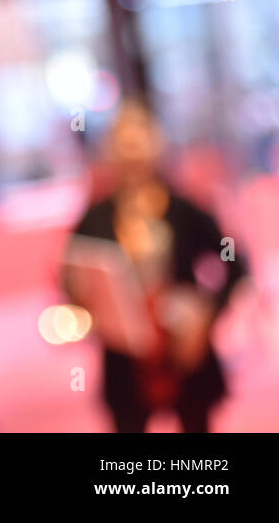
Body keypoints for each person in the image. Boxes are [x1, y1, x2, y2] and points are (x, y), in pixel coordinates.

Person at [63, 100, 246, 433]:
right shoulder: (97, 216)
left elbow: (233, 259)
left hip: (185, 350)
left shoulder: (183, 209)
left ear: (156, 146)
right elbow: (69, 277)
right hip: (125, 359)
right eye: (124, 144)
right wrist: (90, 304)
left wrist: (207, 315)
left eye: (140, 142)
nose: (133, 155)